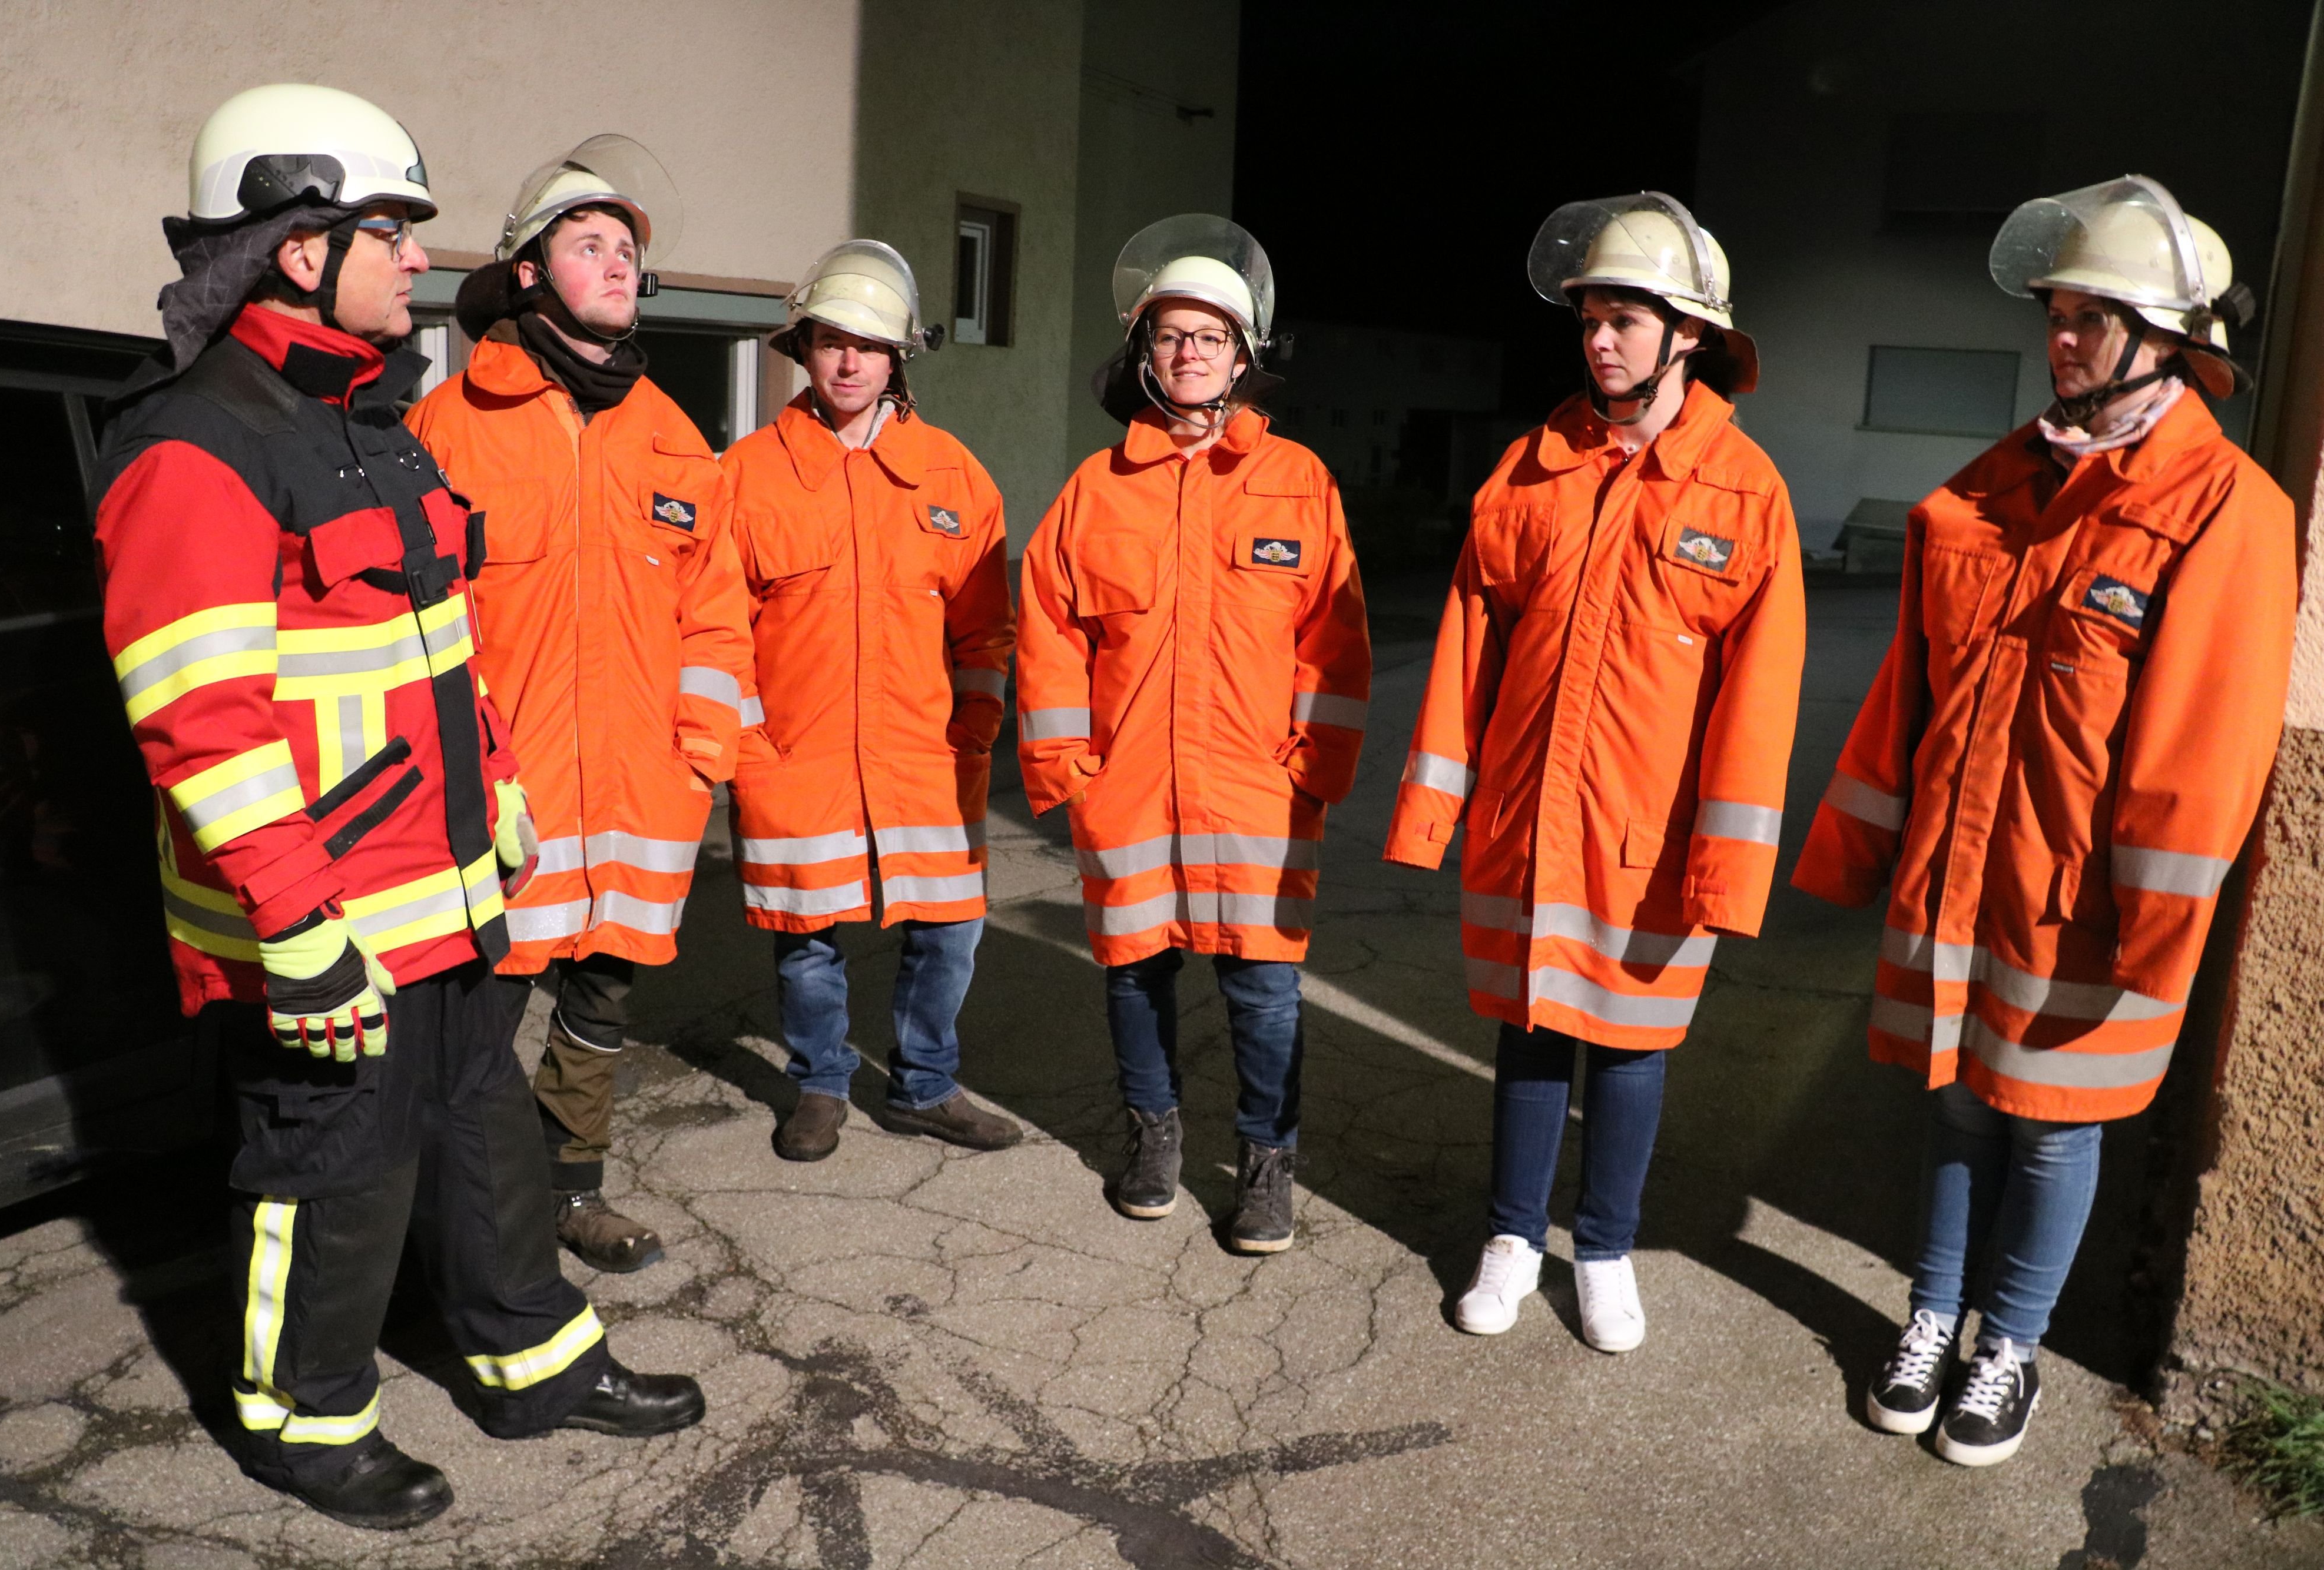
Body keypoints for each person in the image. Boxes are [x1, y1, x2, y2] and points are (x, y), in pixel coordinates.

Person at [92, 87, 707, 1530]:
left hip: (438, 896)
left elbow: (440, 649)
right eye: (389, 231)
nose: (414, 260)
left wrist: (493, 788)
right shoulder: (200, 443)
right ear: (299, 248)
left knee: (483, 1129)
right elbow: (204, 730)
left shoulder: (363, 423)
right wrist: (295, 925)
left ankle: (533, 1360)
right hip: (324, 916)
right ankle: (299, 1417)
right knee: (332, 1164)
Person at [1792, 174, 2294, 1467]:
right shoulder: (1995, 482)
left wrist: (2151, 933)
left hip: (2085, 898)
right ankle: (1931, 1315)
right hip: (1961, 878)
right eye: (2055, 313)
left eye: (2091, 316)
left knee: (2053, 1124)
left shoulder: (2225, 511)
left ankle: (2007, 1342)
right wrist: (1862, 846)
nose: (2059, 338)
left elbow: (2202, 754)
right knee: (1957, 1104)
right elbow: (1910, 691)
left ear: (2167, 339)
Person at [1385, 194, 1804, 1346]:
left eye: (1622, 318)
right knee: (1528, 1029)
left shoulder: (1742, 491)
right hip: (1529, 822)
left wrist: (1724, 868)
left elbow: (1757, 703)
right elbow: (1468, 643)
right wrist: (1431, 808)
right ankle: (1511, 1235)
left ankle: (1604, 1246)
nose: (1598, 340)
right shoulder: (1531, 467)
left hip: (1647, 837)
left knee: (1628, 1047)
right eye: (1588, 320)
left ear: (1687, 334)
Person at [407, 137, 749, 1272]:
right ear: (525, 274)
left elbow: (715, 612)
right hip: (507, 799)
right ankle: (464, 1218)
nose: (615, 264)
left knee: (600, 1003)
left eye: (625, 249)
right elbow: (416, 626)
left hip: (641, 793)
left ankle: (570, 1195)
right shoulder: (447, 426)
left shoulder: (673, 434)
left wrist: (699, 752)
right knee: (475, 1028)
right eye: (587, 243)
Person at [1017, 215, 1371, 1254]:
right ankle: (1156, 1141)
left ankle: (1267, 1168)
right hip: (1130, 790)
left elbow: (1335, 643)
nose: (1187, 353)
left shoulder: (1298, 482)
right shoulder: (1095, 490)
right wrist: (1069, 770)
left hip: (1260, 792)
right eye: (1169, 336)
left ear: (1242, 356)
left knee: (1263, 988)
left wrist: (1316, 765)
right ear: (1144, 355)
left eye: (1208, 337)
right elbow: (1050, 637)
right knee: (1136, 972)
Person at [720, 240, 1019, 1160]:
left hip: (925, 754)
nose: (849, 363)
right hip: (795, 754)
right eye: (830, 342)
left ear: (899, 358)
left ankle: (925, 1085)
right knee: (808, 935)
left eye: (870, 345)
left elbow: (986, 628)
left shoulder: (953, 474)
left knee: (951, 927)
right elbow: (715, 629)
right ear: (803, 350)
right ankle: (819, 1085)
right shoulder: (748, 472)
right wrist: (747, 743)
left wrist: (977, 724)